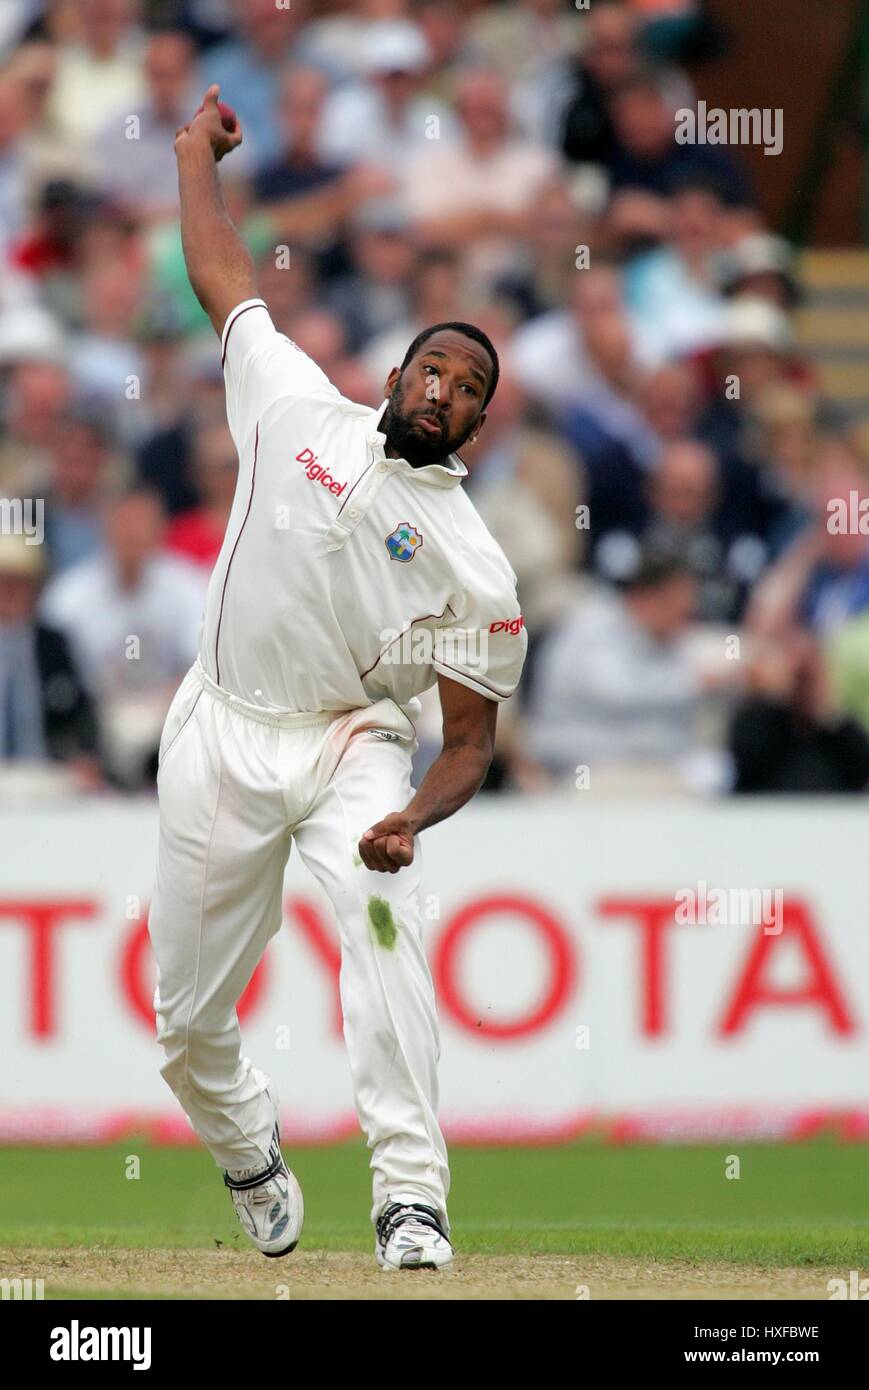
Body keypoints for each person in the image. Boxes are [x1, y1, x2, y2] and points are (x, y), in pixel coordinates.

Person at [147, 87, 527, 1273]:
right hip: (219, 725)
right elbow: (219, 271)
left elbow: (466, 741)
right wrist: (192, 155)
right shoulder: (290, 401)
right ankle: (249, 1148)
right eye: (437, 371)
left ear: (475, 427)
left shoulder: (475, 560)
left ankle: (409, 1199)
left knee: (384, 929)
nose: (447, 393)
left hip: (353, 748)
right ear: (397, 373)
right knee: (185, 1022)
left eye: (471, 392)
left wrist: (412, 814)